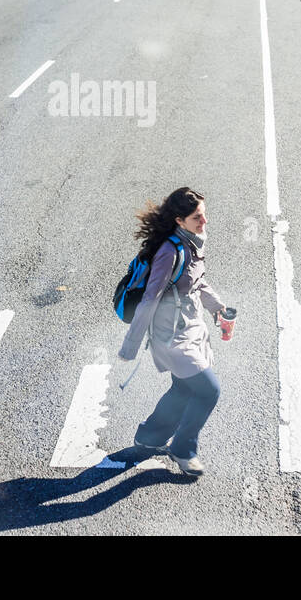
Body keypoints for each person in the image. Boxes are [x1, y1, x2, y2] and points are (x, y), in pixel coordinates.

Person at [118, 187, 229, 477]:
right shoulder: (169, 252)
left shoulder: (193, 241)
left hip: (190, 328)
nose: (204, 222)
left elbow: (196, 283)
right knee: (208, 390)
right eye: (197, 218)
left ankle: (150, 437)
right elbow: (150, 299)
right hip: (172, 337)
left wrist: (218, 308)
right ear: (179, 220)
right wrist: (131, 346)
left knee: (183, 387)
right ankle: (183, 449)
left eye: (203, 215)